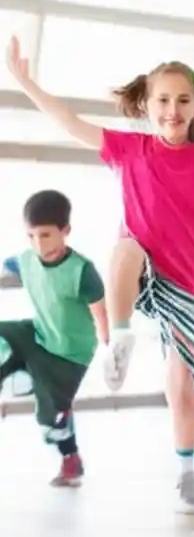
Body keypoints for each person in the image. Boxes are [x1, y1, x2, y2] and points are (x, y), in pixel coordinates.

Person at [5, 38, 194, 514]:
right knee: (125, 246)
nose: (173, 110)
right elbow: (71, 123)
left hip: (184, 286)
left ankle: (187, 475)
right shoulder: (130, 150)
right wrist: (27, 84)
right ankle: (122, 335)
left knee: (180, 386)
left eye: (183, 101)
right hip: (137, 272)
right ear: (147, 105)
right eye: (163, 100)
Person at [0, 190, 106, 488]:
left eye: (45, 235)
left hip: (70, 353)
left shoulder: (82, 272)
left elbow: (101, 312)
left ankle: (70, 459)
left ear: (65, 231)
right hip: (38, 334)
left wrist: (112, 347)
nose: (38, 244)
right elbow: (10, 265)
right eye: (31, 236)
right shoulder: (25, 260)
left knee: (50, 421)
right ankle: (21, 382)